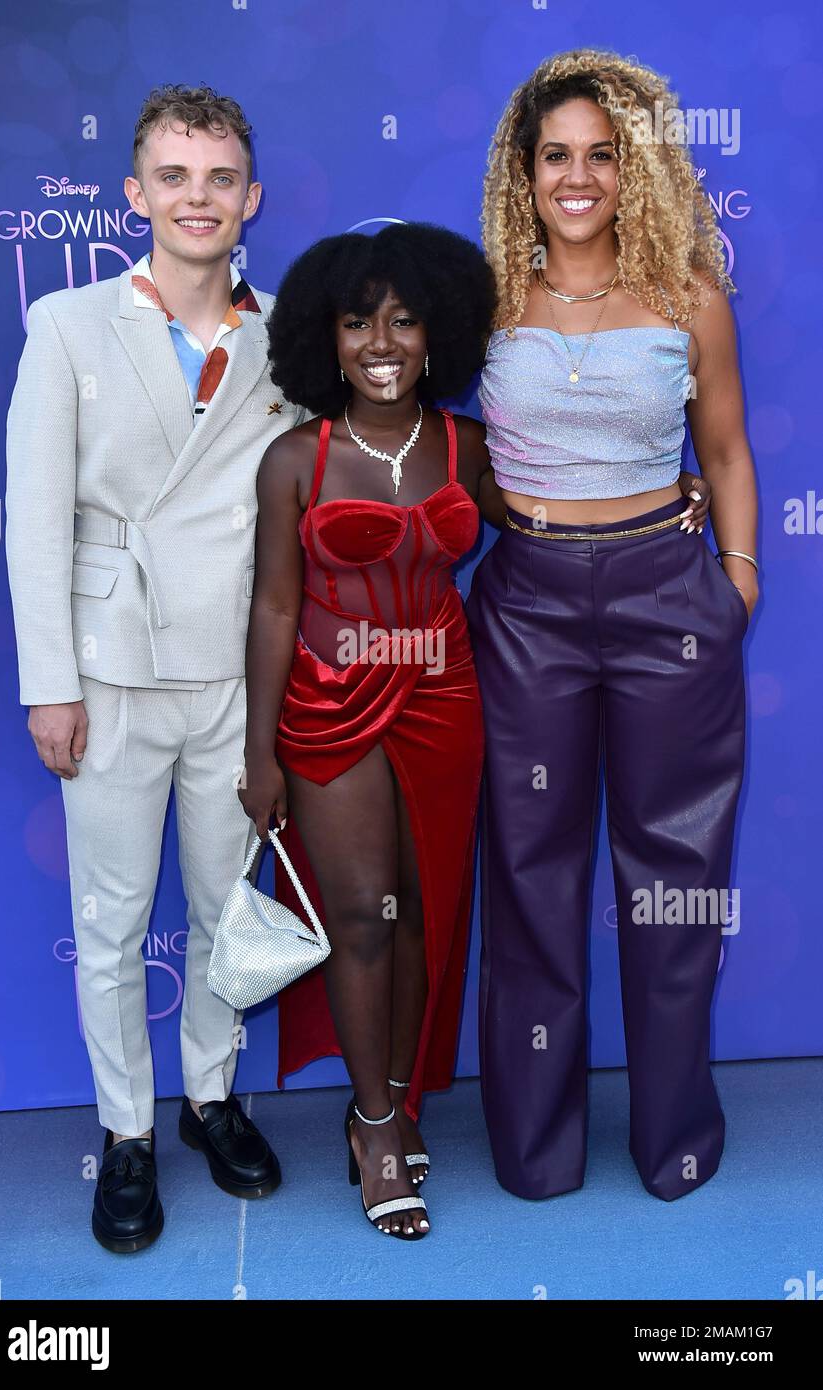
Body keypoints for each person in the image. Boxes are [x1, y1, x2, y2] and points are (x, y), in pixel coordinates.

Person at [5, 84, 310, 1252]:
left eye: (220, 177)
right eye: (174, 177)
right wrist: (51, 682)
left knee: (227, 905)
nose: (199, 197)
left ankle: (210, 1101)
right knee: (115, 914)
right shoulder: (69, 326)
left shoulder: (290, 333)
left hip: (237, 667)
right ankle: (126, 1134)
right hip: (109, 665)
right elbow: (35, 521)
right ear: (135, 195)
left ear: (251, 199)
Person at [465, 49, 757, 1202]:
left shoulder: (690, 296)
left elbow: (726, 453)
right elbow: (454, 452)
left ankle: (674, 1135)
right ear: (521, 171)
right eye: (555, 156)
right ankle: (536, 1151)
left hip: (666, 599)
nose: (576, 177)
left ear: (635, 169)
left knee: (674, 880)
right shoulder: (481, 294)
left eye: (601, 155)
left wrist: (733, 581)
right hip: (528, 599)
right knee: (532, 878)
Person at [239, 223, 502, 1239]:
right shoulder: (291, 460)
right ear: (326, 339)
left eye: (402, 319)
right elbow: (271, 608)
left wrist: (673, 499)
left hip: (443, 699)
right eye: (358, 322)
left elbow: (543, 524)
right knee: (360, 917)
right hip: (329, 704)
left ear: (438, 334)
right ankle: (379, 1126)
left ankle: (393, 1088)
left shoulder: (465, 446)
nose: (381, 341)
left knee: (426, 913)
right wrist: (259, 754)